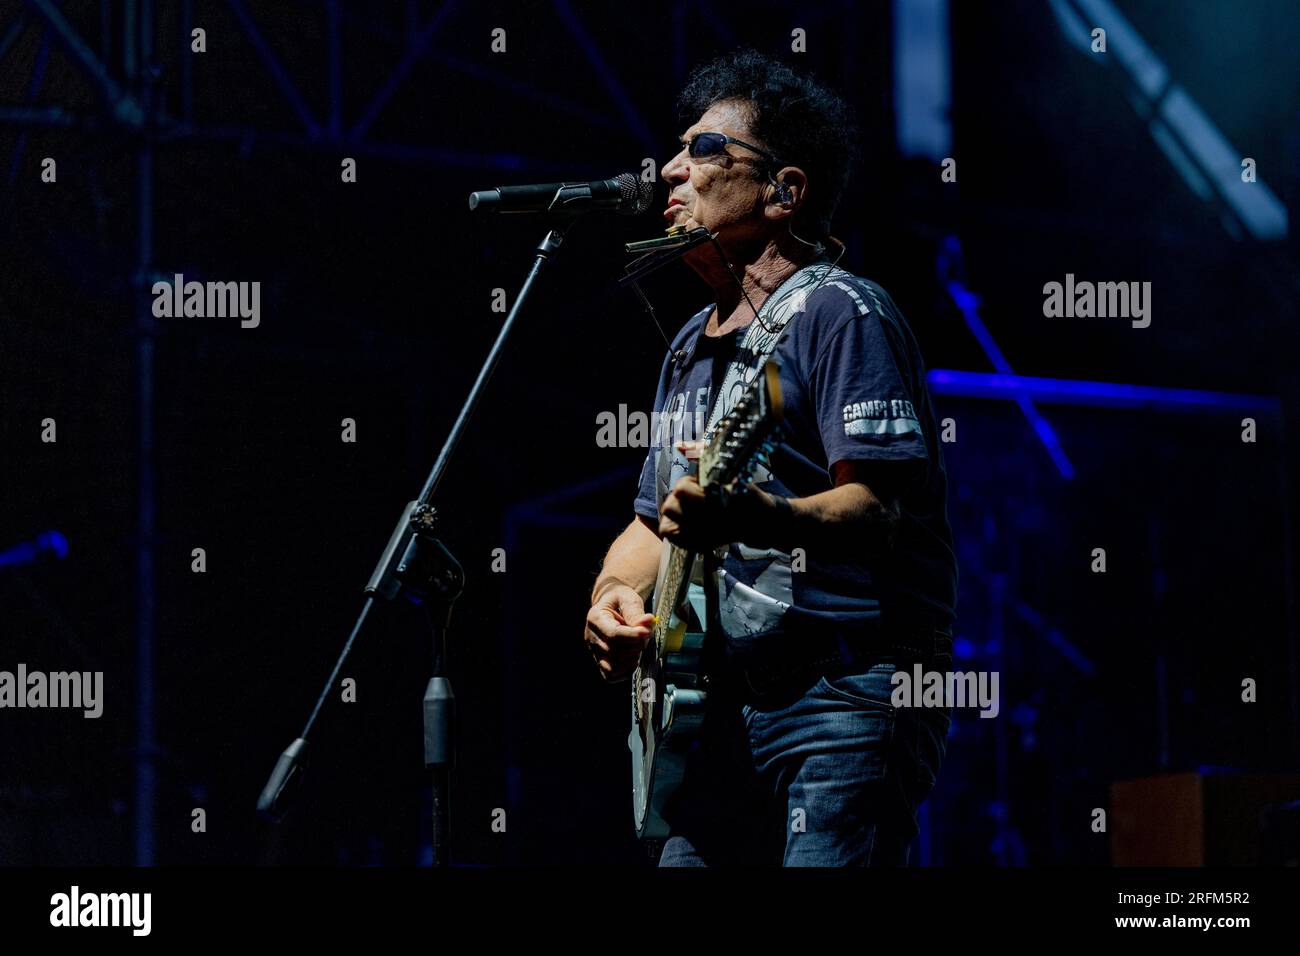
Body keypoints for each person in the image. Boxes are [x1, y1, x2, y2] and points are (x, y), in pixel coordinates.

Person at [583, 49, 958, 866]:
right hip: (711, 709)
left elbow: (876, 510)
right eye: (676, 151)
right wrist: (613, 594)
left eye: (705, 150)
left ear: (783, 191)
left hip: (840, 695)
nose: (673, 171)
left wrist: (760, 515)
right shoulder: (686, 344)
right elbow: (653, 522)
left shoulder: (839, 313)